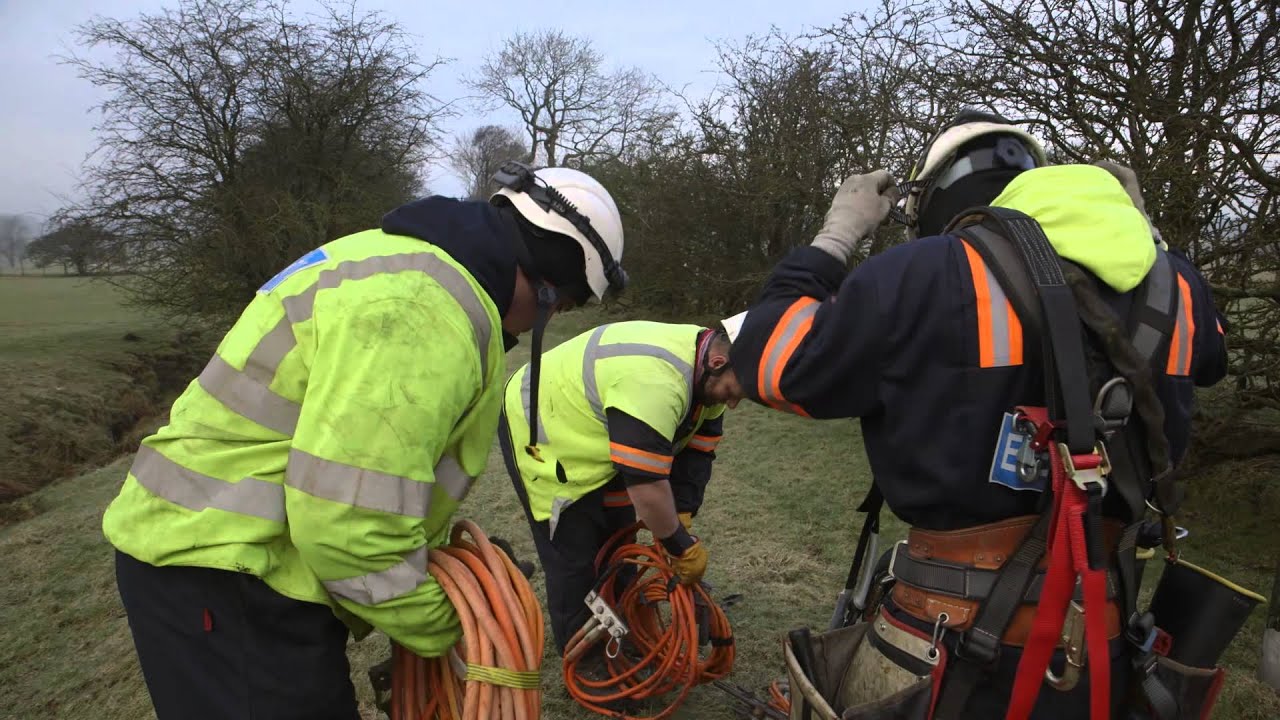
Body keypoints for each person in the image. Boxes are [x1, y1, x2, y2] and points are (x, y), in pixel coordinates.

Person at [724, 110, 1227, 718]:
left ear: (932, 201)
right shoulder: (1179, 287)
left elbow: (772, 364)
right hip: (1101, 651)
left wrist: (837, 234)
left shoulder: (921, 273)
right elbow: (1210, 356)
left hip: (942, 650)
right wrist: (1146, 239)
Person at [101, 161, 628, 720]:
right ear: (545, 275)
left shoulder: (400, 264)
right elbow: (348, 526)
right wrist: (456, 619)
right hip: (225, 576)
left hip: (228, 563)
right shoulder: (423, 313)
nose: (534, 327)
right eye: (562, 306)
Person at [497, 319, 745, 656]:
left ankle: (623, 634)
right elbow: (646, 486)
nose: (732, 404)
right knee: (576, 558)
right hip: (542, 426)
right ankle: (585, 662)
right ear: (718, 363)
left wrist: (683, 513)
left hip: (602, 430)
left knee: (618, 546)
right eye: (733, 392)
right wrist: (680, 546)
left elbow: (697, 453)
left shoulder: (708, 377)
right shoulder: (657, 381)